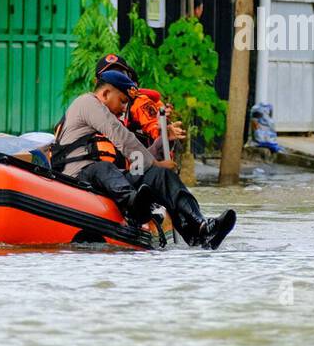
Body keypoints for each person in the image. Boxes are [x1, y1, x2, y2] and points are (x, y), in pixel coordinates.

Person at [51, 69, 235, 249]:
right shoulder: (88, 103)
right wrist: (154, 162)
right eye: (122, 102)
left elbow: (135, 159)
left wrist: (159, 153)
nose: (123, 109)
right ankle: (134, 206)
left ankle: (200, 227)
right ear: (106, 93)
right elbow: (123, 137)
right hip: (76, 180)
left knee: (160, 175)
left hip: (107, 180)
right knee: (104, 168)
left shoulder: (101, 121)